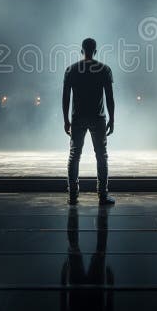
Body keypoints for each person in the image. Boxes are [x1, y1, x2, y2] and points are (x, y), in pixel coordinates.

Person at [62, 37, 115, 205]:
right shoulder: (104, 69)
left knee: (74, 155)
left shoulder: (71, 70)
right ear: (96, 50)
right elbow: (110, 98)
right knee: (101, 156)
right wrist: (112, 119)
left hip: (78, 118)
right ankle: (102, 194)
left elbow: (65, 98)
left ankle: (72, 195)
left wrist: (66, 120)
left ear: (82, 50)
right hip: (98, 118)